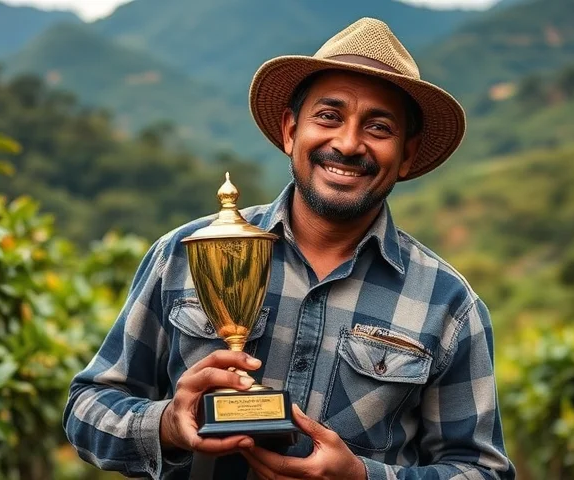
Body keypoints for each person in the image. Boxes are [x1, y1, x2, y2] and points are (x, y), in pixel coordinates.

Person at [63, 17, 515, 480]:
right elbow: (86, 410)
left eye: (379, 128)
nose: (348, 143)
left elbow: (481, 471)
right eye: (329, 116)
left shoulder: (450, 306)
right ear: (289, 130)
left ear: (408, 155)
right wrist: (168, 424)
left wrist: (363, 477)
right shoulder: (183, 253)